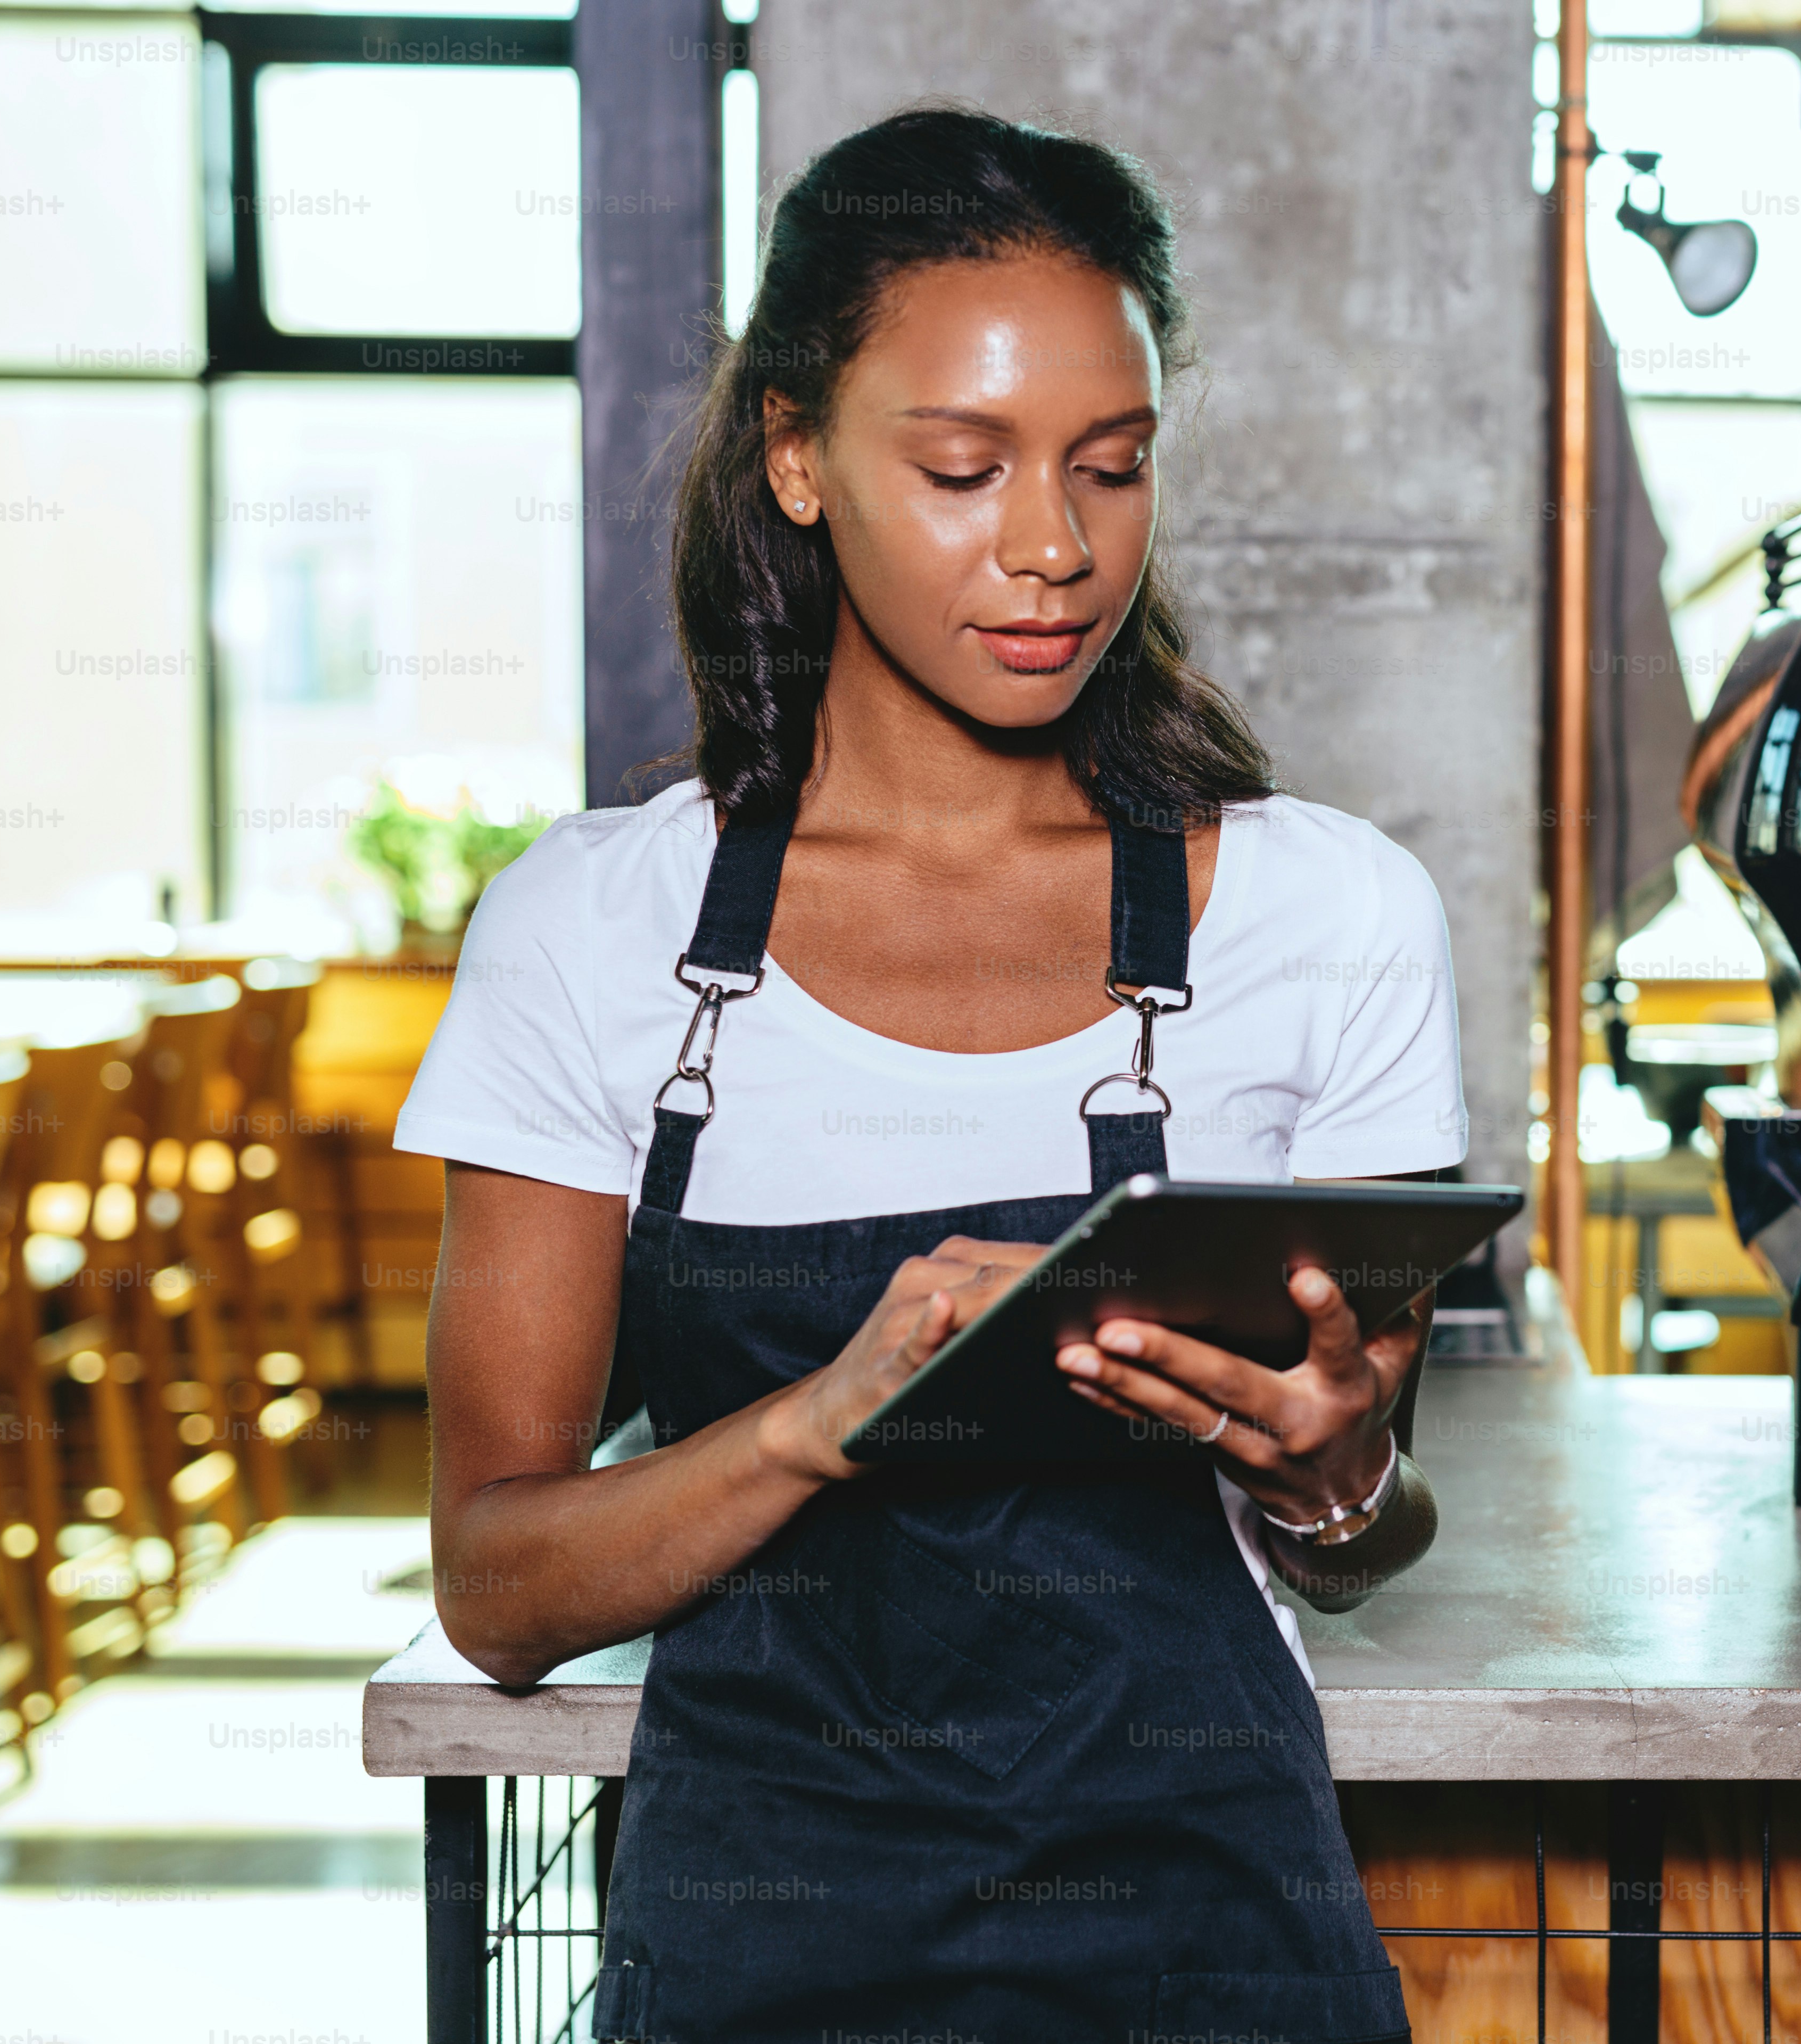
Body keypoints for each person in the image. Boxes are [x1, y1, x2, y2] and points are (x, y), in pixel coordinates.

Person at [396, 106, 1462, 2043]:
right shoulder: (593, 930)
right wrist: (828, 1416)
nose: (1053, 547)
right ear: (796, 455)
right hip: (762, 1956)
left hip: (1216, 1943)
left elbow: (1371, 1547)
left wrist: (1339, 1475)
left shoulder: (1331, 914)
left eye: (1112, 468)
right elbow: (498, 1583)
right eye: (964, 469)